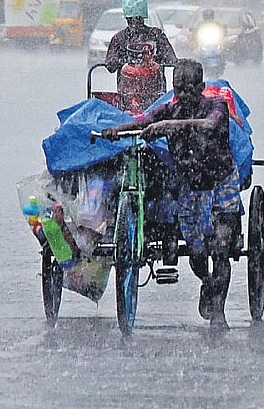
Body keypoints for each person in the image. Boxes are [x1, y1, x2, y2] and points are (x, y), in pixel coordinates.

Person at [103, 59, 243, 329]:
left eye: (191, 89)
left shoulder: (216, 107)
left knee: (221, 248)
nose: (185, 95)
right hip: (191, 188)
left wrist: (170, 126)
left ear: (202, 87)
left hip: (221, 183)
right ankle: (208, 283)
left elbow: (209, 125)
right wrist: (115, 131)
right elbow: (142, 121)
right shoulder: (169, 109)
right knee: (198, 253)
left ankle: (218, 313)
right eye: (179, 89)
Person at [104, 0, 177, 92]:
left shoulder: (156, 35)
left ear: (143, 18)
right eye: (132, 19)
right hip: (128, 92)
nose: (135, 22)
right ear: (127, 18)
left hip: (154, 91)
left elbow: (171, 58)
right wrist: (124, 61)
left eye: (138, 19)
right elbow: (110, 66)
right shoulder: (119, 39)